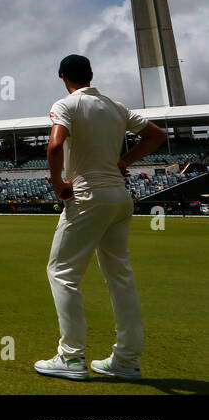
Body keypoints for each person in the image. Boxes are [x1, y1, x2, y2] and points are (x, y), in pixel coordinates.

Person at [34, 54, 165, 382]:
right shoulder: (116, 107)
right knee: (120, 276)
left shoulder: (66, 105)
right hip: (120, 199)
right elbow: (156, 135)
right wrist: (125, 161)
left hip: (88, 197)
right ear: (91, 74)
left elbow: (54, 147)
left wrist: (59, 185)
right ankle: (126, 359)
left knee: (62, 273)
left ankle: (71, 356)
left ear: (63, 76)